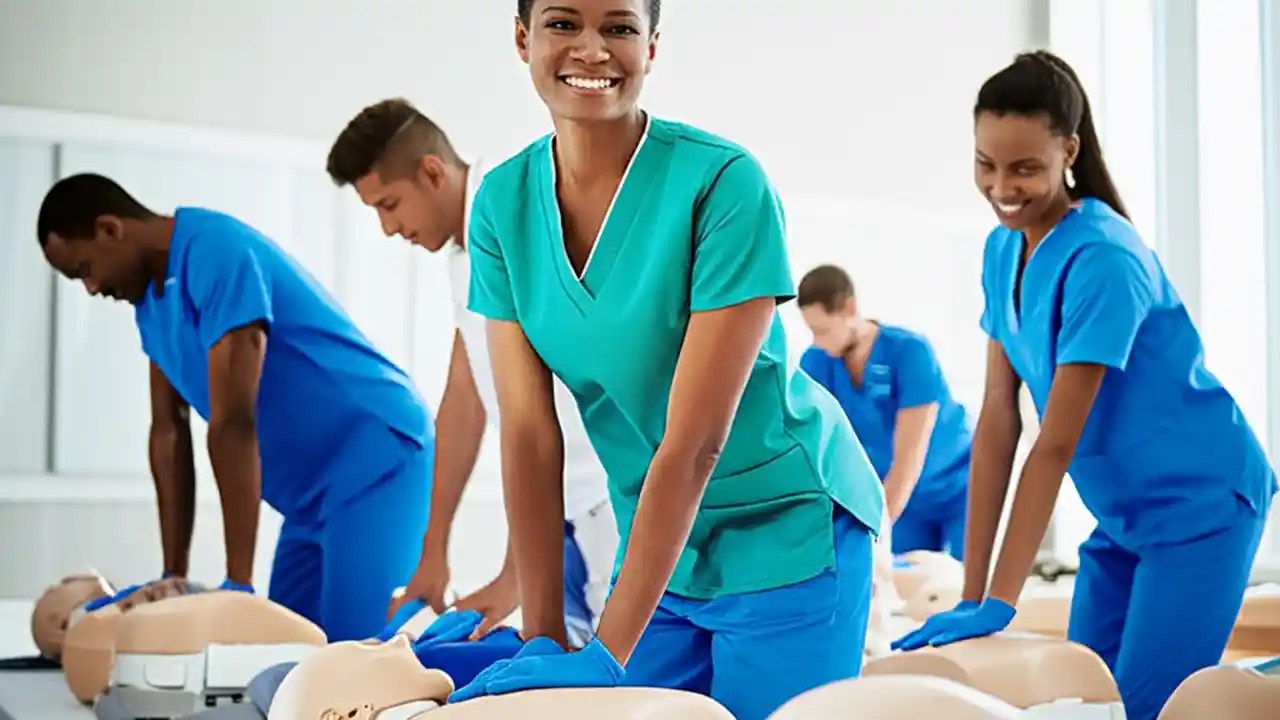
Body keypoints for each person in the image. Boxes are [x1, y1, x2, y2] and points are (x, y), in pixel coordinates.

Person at [446, 2, 887, 719]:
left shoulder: (724, 183)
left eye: (618, 27)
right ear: (523, 37)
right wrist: (546, 636)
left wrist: (607, 654)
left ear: (652, 46)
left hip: (786, 526)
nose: (592, 50)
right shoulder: (501, 204)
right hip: (656, 541)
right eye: (563, 24)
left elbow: (696, 442)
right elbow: (527, 433)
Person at [891, 50, 1277, 720]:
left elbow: (1054, 443)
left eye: (1025, 168)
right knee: (1083, 698)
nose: (1001, 185)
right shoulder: (1002, 248)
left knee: (1153, 708)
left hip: (1202, 507)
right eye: (986, 163)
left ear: (1068, 151)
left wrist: (1002, 600)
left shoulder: (1103, 256)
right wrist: (971, 592)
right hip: (1124, 519)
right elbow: (997, 420)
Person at [36, 174, 435, 642]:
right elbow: (168, 432)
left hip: (378, 459)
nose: (91, 287)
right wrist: (174, 576)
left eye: (84, 269)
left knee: (362, 655)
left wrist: (238, 583)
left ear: (110, 229)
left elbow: (233, 423)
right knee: (285, 656)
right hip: (309, 498)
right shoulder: (150, 306)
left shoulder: (215, 251)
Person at [324, 97, 619, 646]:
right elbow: (466, 397)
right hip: (565, 511)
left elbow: (537, 405)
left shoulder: (511, 215)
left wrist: (517, 573)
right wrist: (432, 552)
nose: (389, 229)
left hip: (605, 498)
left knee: (632, 683)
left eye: (389, 205)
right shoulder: (461, 254)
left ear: (432, 172)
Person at [798, 264, 973, 560]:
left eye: (822, 330)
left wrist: (872, 535)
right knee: (905, 588)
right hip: (902, 501)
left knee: (963, 585)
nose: (817, 341)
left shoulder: (910, 352)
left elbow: (909, 459)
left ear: (849, 309)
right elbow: (815, 455)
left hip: (959, 489)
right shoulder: (817, 363)